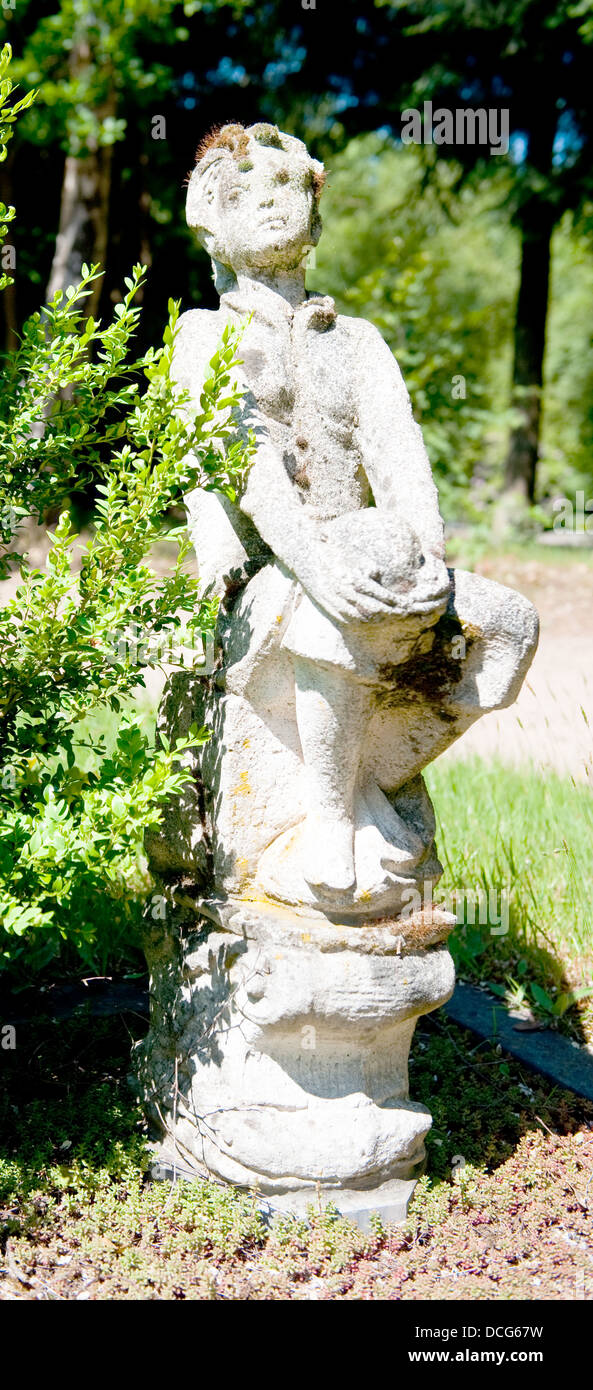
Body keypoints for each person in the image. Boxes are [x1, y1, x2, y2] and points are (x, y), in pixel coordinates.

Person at [170, 123, 538, 909]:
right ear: (209, 214)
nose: (274, 206)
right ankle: (329, 818)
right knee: (353, 579)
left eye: (289, 189)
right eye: (251, 193)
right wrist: (317, 563)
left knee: (508, 627)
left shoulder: (357, 342)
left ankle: (366, 777)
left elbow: (398, 455)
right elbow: (246, 468)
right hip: (267, 579)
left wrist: (429, 560)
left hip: (367, 560)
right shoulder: (203, 335)